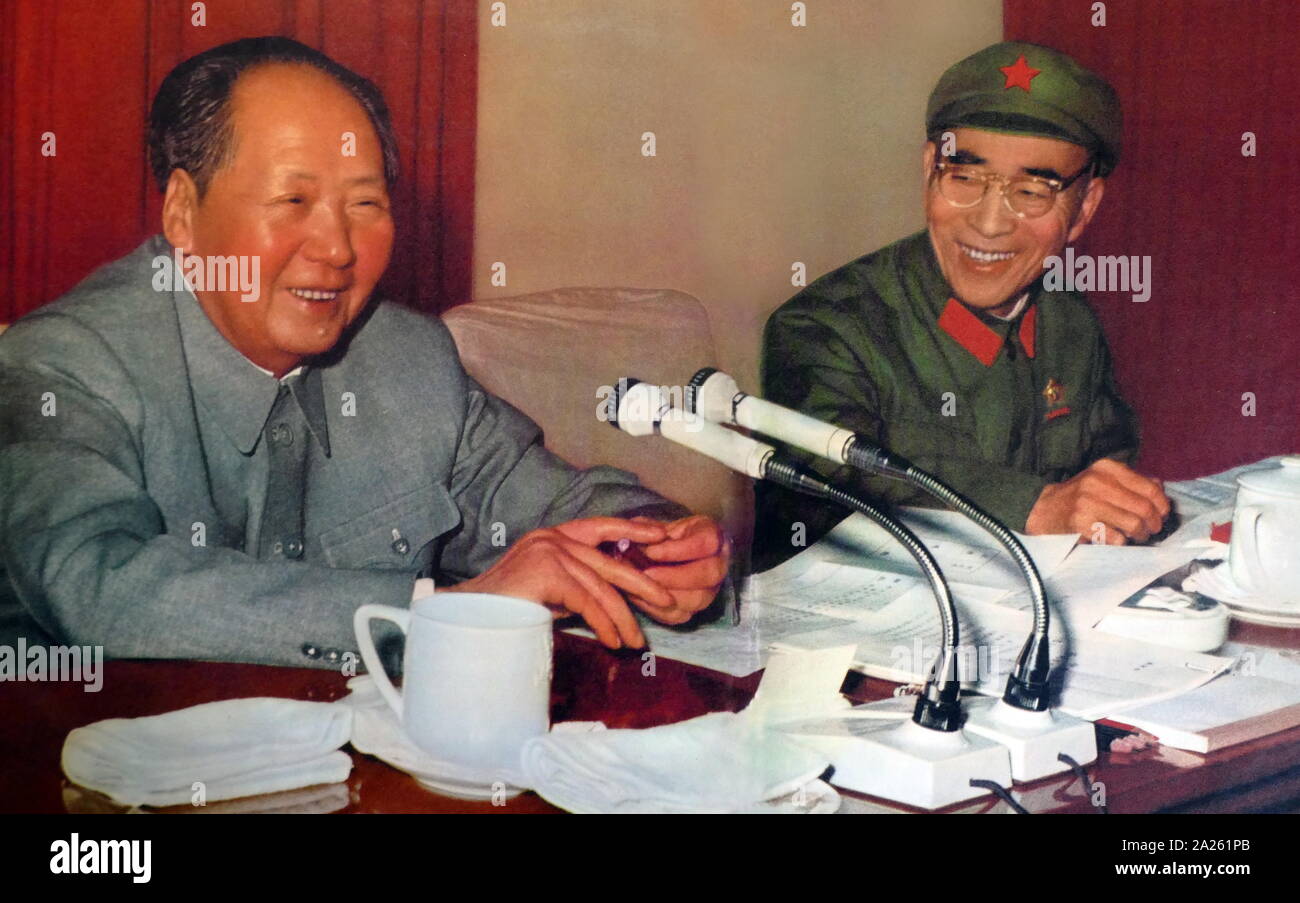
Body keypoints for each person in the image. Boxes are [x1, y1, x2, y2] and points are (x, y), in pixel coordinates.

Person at [0, 37, 729, 667]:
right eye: (293, 202)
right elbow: (99, 589)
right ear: (184, 213)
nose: (338, 248)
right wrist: (447, 612)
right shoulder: (64, 364)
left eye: (366, 204)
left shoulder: (406, 358)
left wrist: (656, 544)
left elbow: (555, 504)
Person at [755, 41, 1170, 569]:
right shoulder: (821, 328)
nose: (990, 222)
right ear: (930, 169)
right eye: (966, 178)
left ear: (1084, 207)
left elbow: (1107, 463)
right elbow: (840, 470)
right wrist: (1036, 506)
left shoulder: (1070, 323)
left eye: (1033, 191)